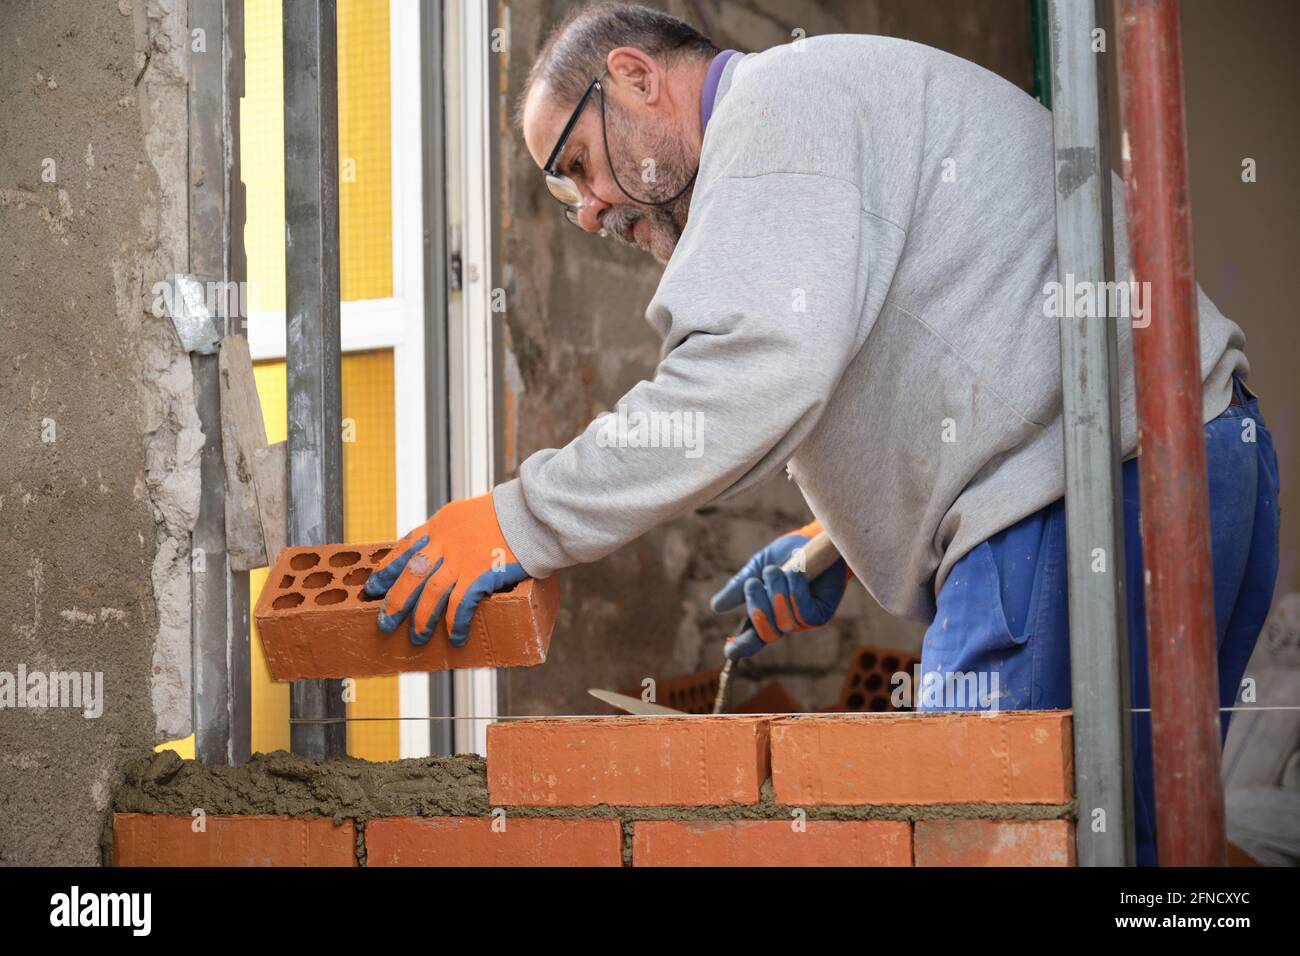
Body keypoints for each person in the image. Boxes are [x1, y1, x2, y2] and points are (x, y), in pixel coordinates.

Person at [364, 3, 1280, 865]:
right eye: (569, 195)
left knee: (983, 839)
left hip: (1078, 506)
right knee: (1142, 857)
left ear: (635, 78)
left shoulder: (770, 117)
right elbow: (942, 333)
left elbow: (747, 374)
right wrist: (834, 537)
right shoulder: (815, 112)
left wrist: (519, 520)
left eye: (576, 166)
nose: (591, 209)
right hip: (1191, 462)